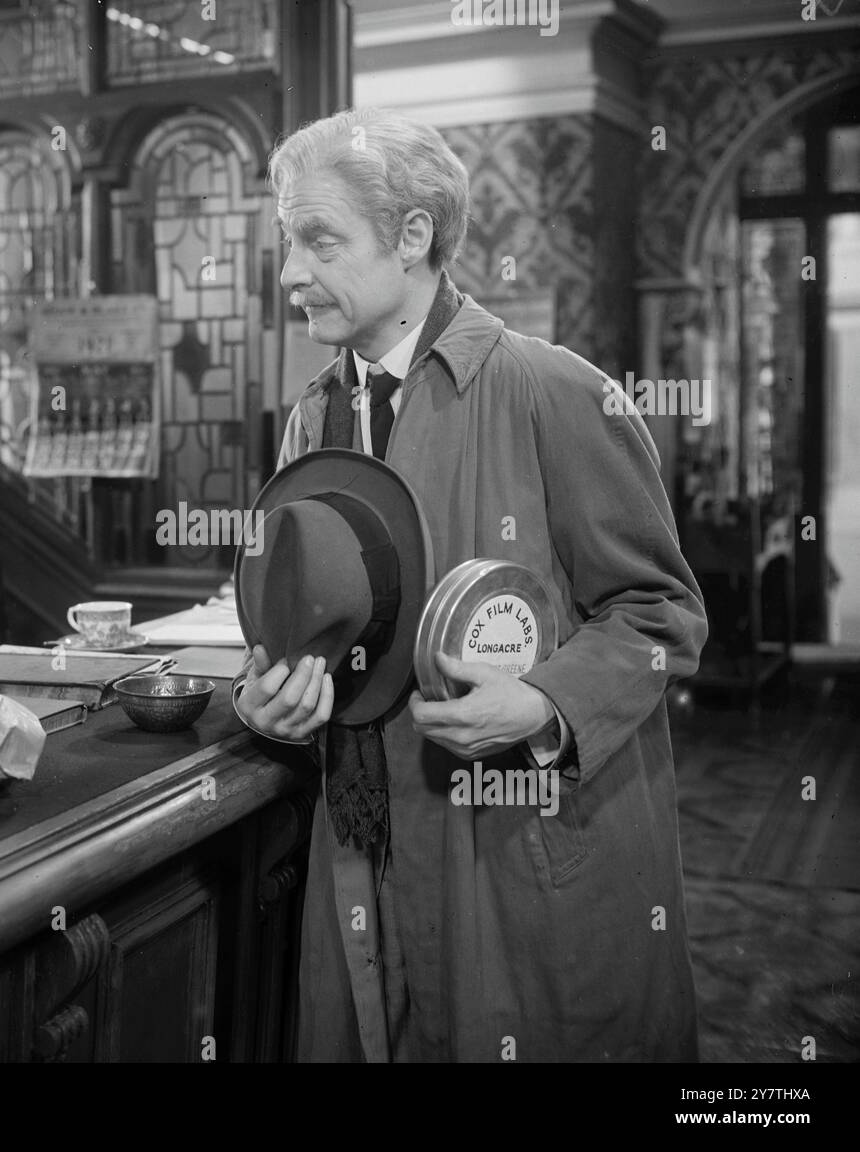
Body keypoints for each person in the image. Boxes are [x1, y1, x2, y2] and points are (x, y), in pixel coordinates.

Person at [234, 107, 709, 1062]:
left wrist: (542, 704)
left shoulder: (552, 389)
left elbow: (662, 614)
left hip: (517, 855)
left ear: (413, 237)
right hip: (363, 855)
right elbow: (292, 631)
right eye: (289, 240)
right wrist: (265, 699)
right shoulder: (309, 420)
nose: (289, 272)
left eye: (318, 238)